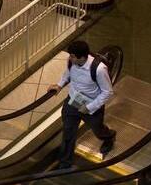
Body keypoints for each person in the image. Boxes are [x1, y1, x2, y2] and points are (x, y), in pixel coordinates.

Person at [49, 40, 116, 170]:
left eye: (73, 56)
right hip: (73, 102)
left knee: (98, 130)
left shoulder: (99, 69)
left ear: (82, 57)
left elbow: (107, 92)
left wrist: (90, 107)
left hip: (91, 106)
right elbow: (68, 73)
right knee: (68, 133)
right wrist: (59, 85)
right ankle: (65, 163)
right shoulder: (71, 62)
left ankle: (109, 137)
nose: (70, 58)